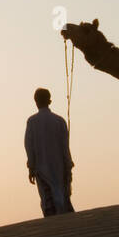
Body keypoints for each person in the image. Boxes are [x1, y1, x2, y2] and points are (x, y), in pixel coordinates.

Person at [25, 88, 74, 216]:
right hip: (60, 168)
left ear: (36, 102)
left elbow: (29, 147)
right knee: (63, 199)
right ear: (50, 101)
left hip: (41, 169)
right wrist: (68, 166)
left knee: (48, 203)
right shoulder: (59, 121)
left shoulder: (32, 122)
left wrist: (31, 167)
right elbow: (65, 147)